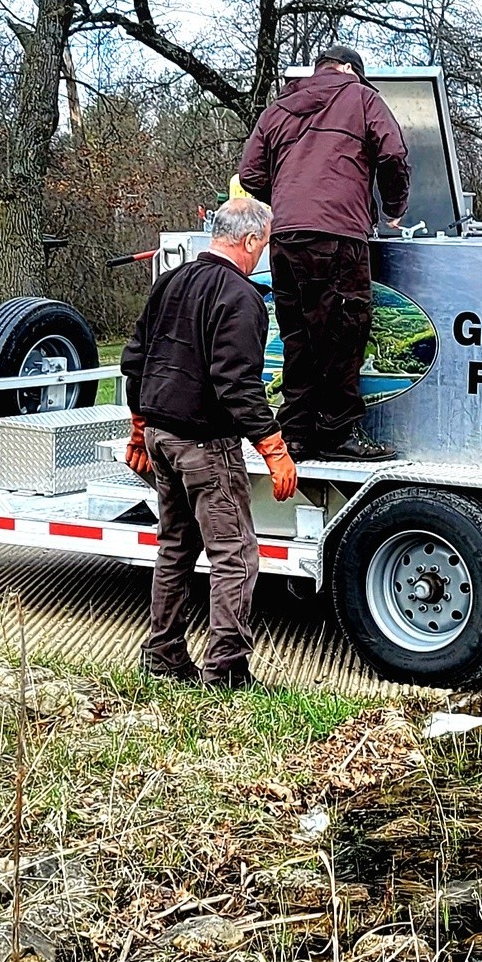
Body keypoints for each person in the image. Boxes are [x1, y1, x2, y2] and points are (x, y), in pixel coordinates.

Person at [121, 198, 299, 688]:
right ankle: (225, 673)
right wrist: (274, 448)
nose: (262, 252)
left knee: (174, 548)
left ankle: (163, 657)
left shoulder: (169, 282)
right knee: (235, 557)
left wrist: (140, 428)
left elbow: (135, 360)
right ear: (248, 241)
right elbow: (237, 384)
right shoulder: (241, 298)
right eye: (263, 243)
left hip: (160, 436)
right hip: (204, 444)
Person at [236, 44, 411, 462]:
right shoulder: (361, 96)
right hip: (337, 235)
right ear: (350, 70)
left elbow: (250, 174)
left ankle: (295, 434)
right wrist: (393, 208)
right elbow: (393, 154)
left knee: (298, 336)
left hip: (285, 237)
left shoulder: (280, 106)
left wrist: (287, 199)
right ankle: (336, 434)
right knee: (341, 333)